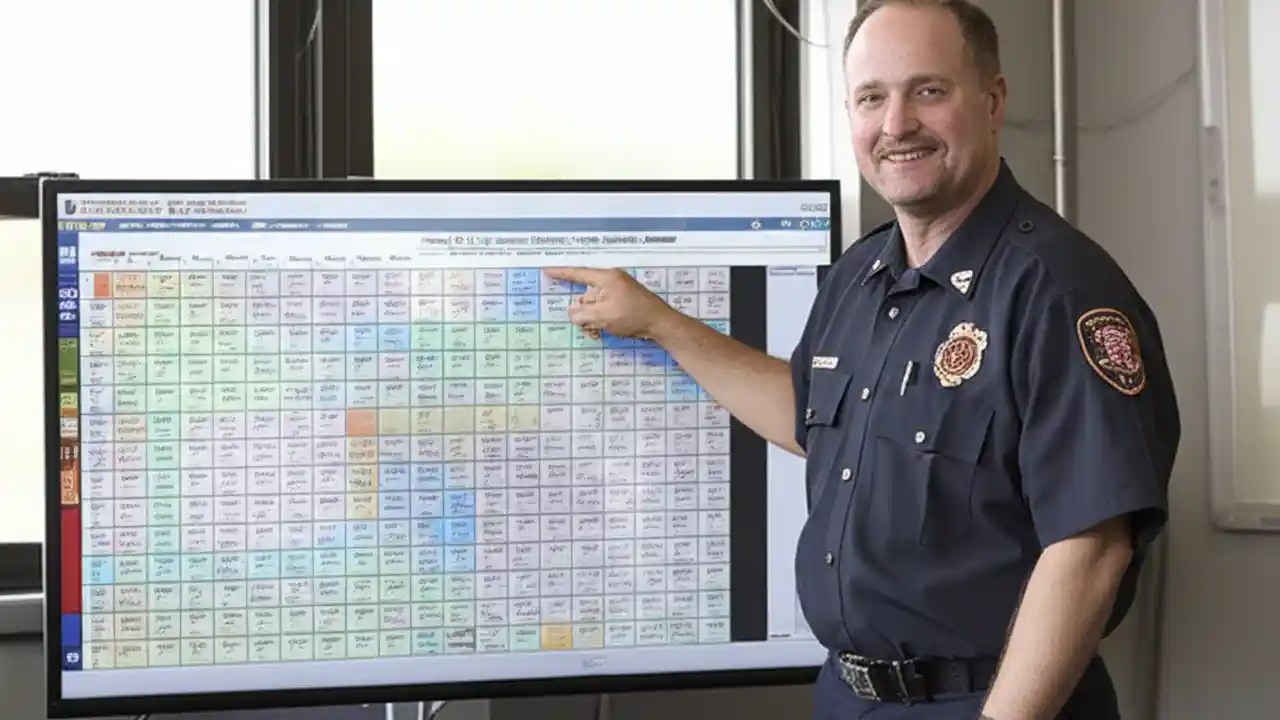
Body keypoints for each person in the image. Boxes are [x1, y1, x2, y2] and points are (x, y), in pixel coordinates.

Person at [545, 0, 1180, 717]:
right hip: (849, 697)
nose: (896, 123)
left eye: (928, 91)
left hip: (988, 699)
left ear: (994, 100)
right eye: (871, 97)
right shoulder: (860, 276)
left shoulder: (1056, 290)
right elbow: (809, 417)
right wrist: (662, 324)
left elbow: (1092, 548)